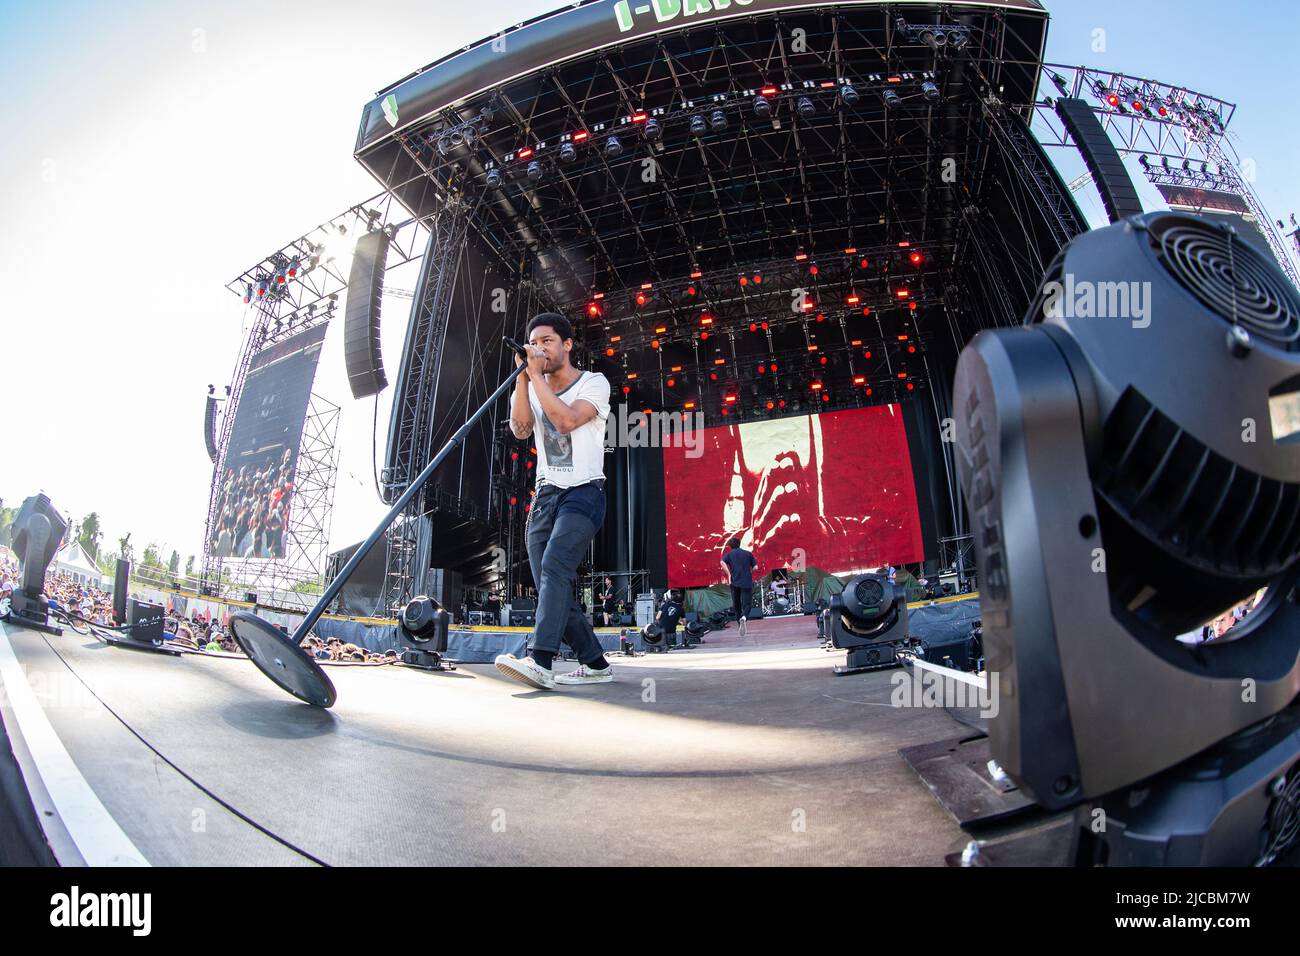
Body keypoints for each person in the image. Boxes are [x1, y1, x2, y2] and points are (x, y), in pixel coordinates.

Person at [495, 312, 615, 691]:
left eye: (547, 340)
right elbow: (520, 429)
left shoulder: (594, 384)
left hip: (584, 491)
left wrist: (534, 378)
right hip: (547, 493)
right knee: (552, 580)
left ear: (567, 344)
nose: (539, 348)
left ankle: (541, 660)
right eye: (534, 342)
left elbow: (564, 421)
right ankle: (595, 663)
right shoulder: (530, 384)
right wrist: (521, 378)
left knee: (555, 565)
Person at [721, 537, 757, 639]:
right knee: (747, 604)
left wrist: (728, 574)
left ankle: (739, 623)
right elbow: (755, 567)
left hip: (734, 582)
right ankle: (744, 618)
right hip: (746, 581)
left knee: (736, 605)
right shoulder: (748, 554)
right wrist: (749, 572)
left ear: (730, 546)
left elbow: (722, 562)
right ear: (739, 544)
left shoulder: (729, 555)